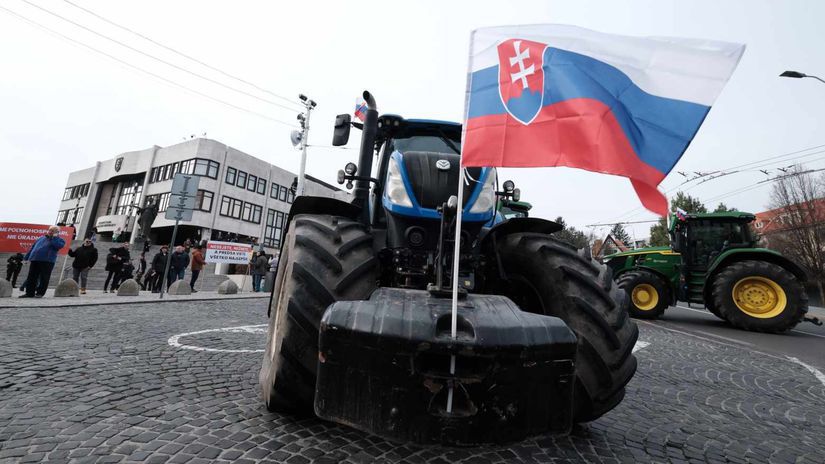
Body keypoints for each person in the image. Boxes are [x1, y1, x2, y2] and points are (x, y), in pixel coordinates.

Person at [19, 225, 66, 298]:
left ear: (57, 232)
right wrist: (26, 258)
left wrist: (54, 238)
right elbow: (33, 248)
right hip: (35, 259)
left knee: (44, 278)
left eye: (53, 231)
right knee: (32, 277)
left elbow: (57, 246)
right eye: (50, 230)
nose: (50, 231)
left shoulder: (59, 240)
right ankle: (29, 293)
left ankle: (40, 293)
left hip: (47, 261)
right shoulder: (41, 238)